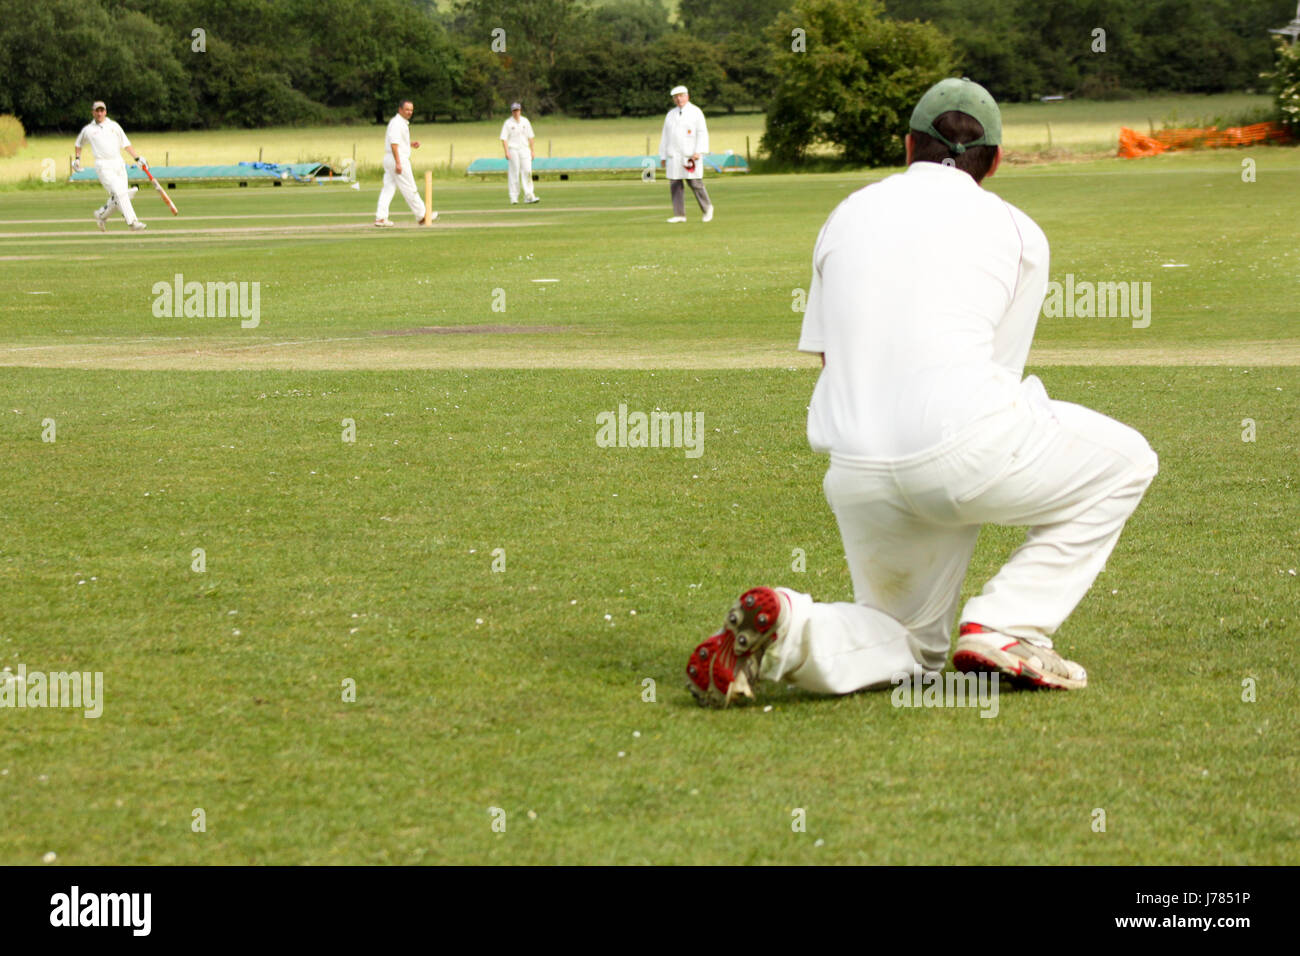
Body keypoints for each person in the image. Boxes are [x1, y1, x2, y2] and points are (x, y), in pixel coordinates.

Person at [686, 78, 1158, 707]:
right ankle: (1008, 628)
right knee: (1128, 462)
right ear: (993, 159)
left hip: (855, 469)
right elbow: (998, 371)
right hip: (963, 447)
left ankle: (791, 630)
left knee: (912, 647)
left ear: (907, 145)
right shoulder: (1019, 232)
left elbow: (831, 354)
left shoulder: (846, 213)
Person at [73, 101, 146, 232]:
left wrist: (137, 158)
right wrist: (77, 159)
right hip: (103, 165)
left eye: (102, 110)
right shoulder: (88, 130)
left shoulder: (114, 126)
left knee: (120, 196)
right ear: (93, 112)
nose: (100, 113)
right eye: (97, 111)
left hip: (118, 163)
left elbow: (126, 144)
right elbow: (78, 144)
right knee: (121, 193)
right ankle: (133, 222)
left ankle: (101, 215)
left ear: (105, 112)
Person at [658, 85, 712, 223]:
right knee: (675, 184)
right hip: (674, 156)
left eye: (681, 96)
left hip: (690, 155)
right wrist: (663, 156)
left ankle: (707, 208)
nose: (679, 99)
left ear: (687, 96)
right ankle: (679, 214)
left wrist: (699, 150)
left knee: (695, 182)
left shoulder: (696, 112)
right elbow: (665, 135)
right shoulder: (670, 114)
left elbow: (702, 133)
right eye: (676, 97)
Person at [375, 98, 432, 227]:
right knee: (410, 187)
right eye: (406, 109)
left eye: (411, 110)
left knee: (388, 188)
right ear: (400, 109)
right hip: (397, 158)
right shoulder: (397, 123)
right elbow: (394, 144)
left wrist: (410, 144)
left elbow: (399, 142)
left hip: (391, 158)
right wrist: (399, 163)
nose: (409, 112)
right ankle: (422, 215)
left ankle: (381, 217)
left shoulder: (401, 123)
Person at [500, 102, 539, 205]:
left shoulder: (525, 121)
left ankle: (529, 195)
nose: (516, 112)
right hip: (513, 149)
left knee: (527, 171)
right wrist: (506, 151)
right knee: (514, 172)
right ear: (511, 112)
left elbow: (531, 137)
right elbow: (504, 138)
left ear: (520, 110)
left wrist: (532, 150)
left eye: (517, 110)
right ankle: (514, 197)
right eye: (514, 111)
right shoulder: (508, 123)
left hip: (525, 149)